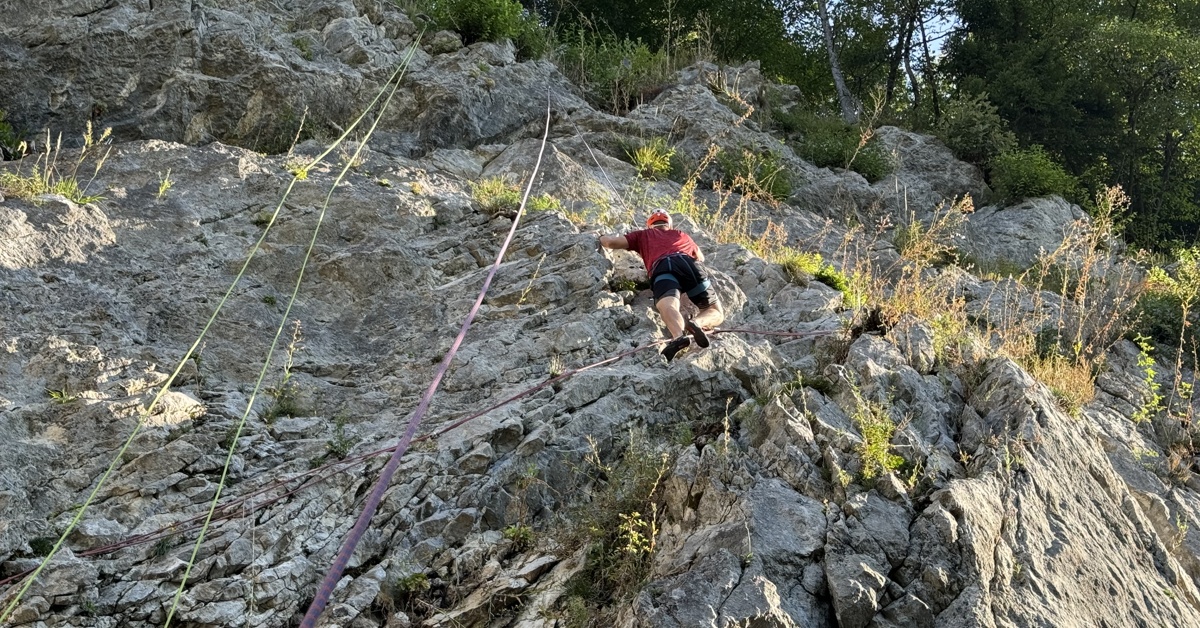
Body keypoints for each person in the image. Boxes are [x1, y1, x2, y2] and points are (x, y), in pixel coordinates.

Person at [600, 210, 725, 361]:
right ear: (669, 224)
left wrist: (601, 237)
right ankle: (697, 323)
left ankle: (678, 336)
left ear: (650, 225)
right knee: (714, 310)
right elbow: (700, 257)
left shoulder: (643, 235)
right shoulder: (681, 234)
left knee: (668, 306)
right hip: (689, 264)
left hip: (663, 267)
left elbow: (611, 243)